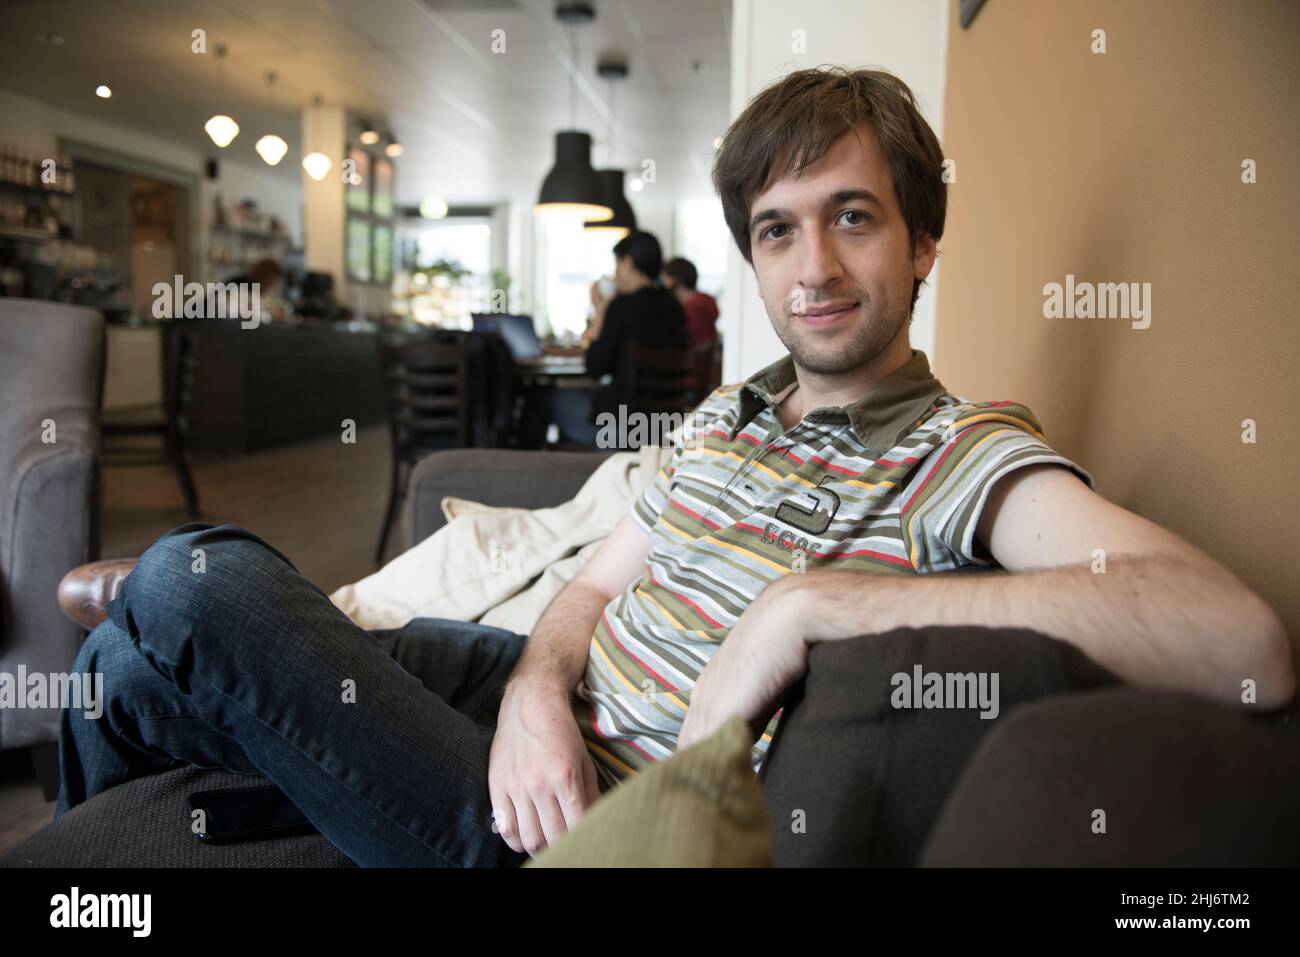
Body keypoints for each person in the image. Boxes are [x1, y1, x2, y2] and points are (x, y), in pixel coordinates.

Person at [55, 66, 1294, 868]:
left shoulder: (960, 454)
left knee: (188, 589)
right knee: (114, 670)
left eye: (851, 217)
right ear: (750, 259)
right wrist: (539, 688)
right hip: (509, 698)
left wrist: (819, 601)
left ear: (923, 241)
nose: (811, 267)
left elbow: (1240, 645)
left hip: (600, 818)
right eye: (776, 230)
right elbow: (593, 591)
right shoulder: (724, 414)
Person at [547, 230, 688, 446]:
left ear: (629, 263)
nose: (615, 274)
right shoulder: (675, 307)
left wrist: (601, 311)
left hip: (621, 427)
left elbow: (595, 368)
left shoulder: (621, 306)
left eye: (617, 265)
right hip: (666, 425)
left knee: (544, 399)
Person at [662, 256, 720, 347]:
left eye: (665, 277)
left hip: (688, 358)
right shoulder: (707, 300)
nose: (662, 282)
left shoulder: (688, 309)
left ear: (675, 279)